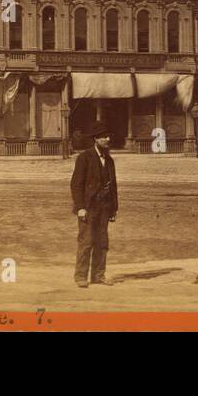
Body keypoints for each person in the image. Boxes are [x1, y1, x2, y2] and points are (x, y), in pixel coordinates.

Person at [71, 121, 118, 287]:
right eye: (104, 136)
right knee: (86, 241)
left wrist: (113, 209)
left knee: (102, 242)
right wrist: (80, 208)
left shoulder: (109, 160)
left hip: (104, 208)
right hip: (89, 208)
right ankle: (81, 277)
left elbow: (113, 186)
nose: (108, 139)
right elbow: (76, 184)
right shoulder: (85, 157)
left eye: (108, 136)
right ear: (96, 138)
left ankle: (98, 275)